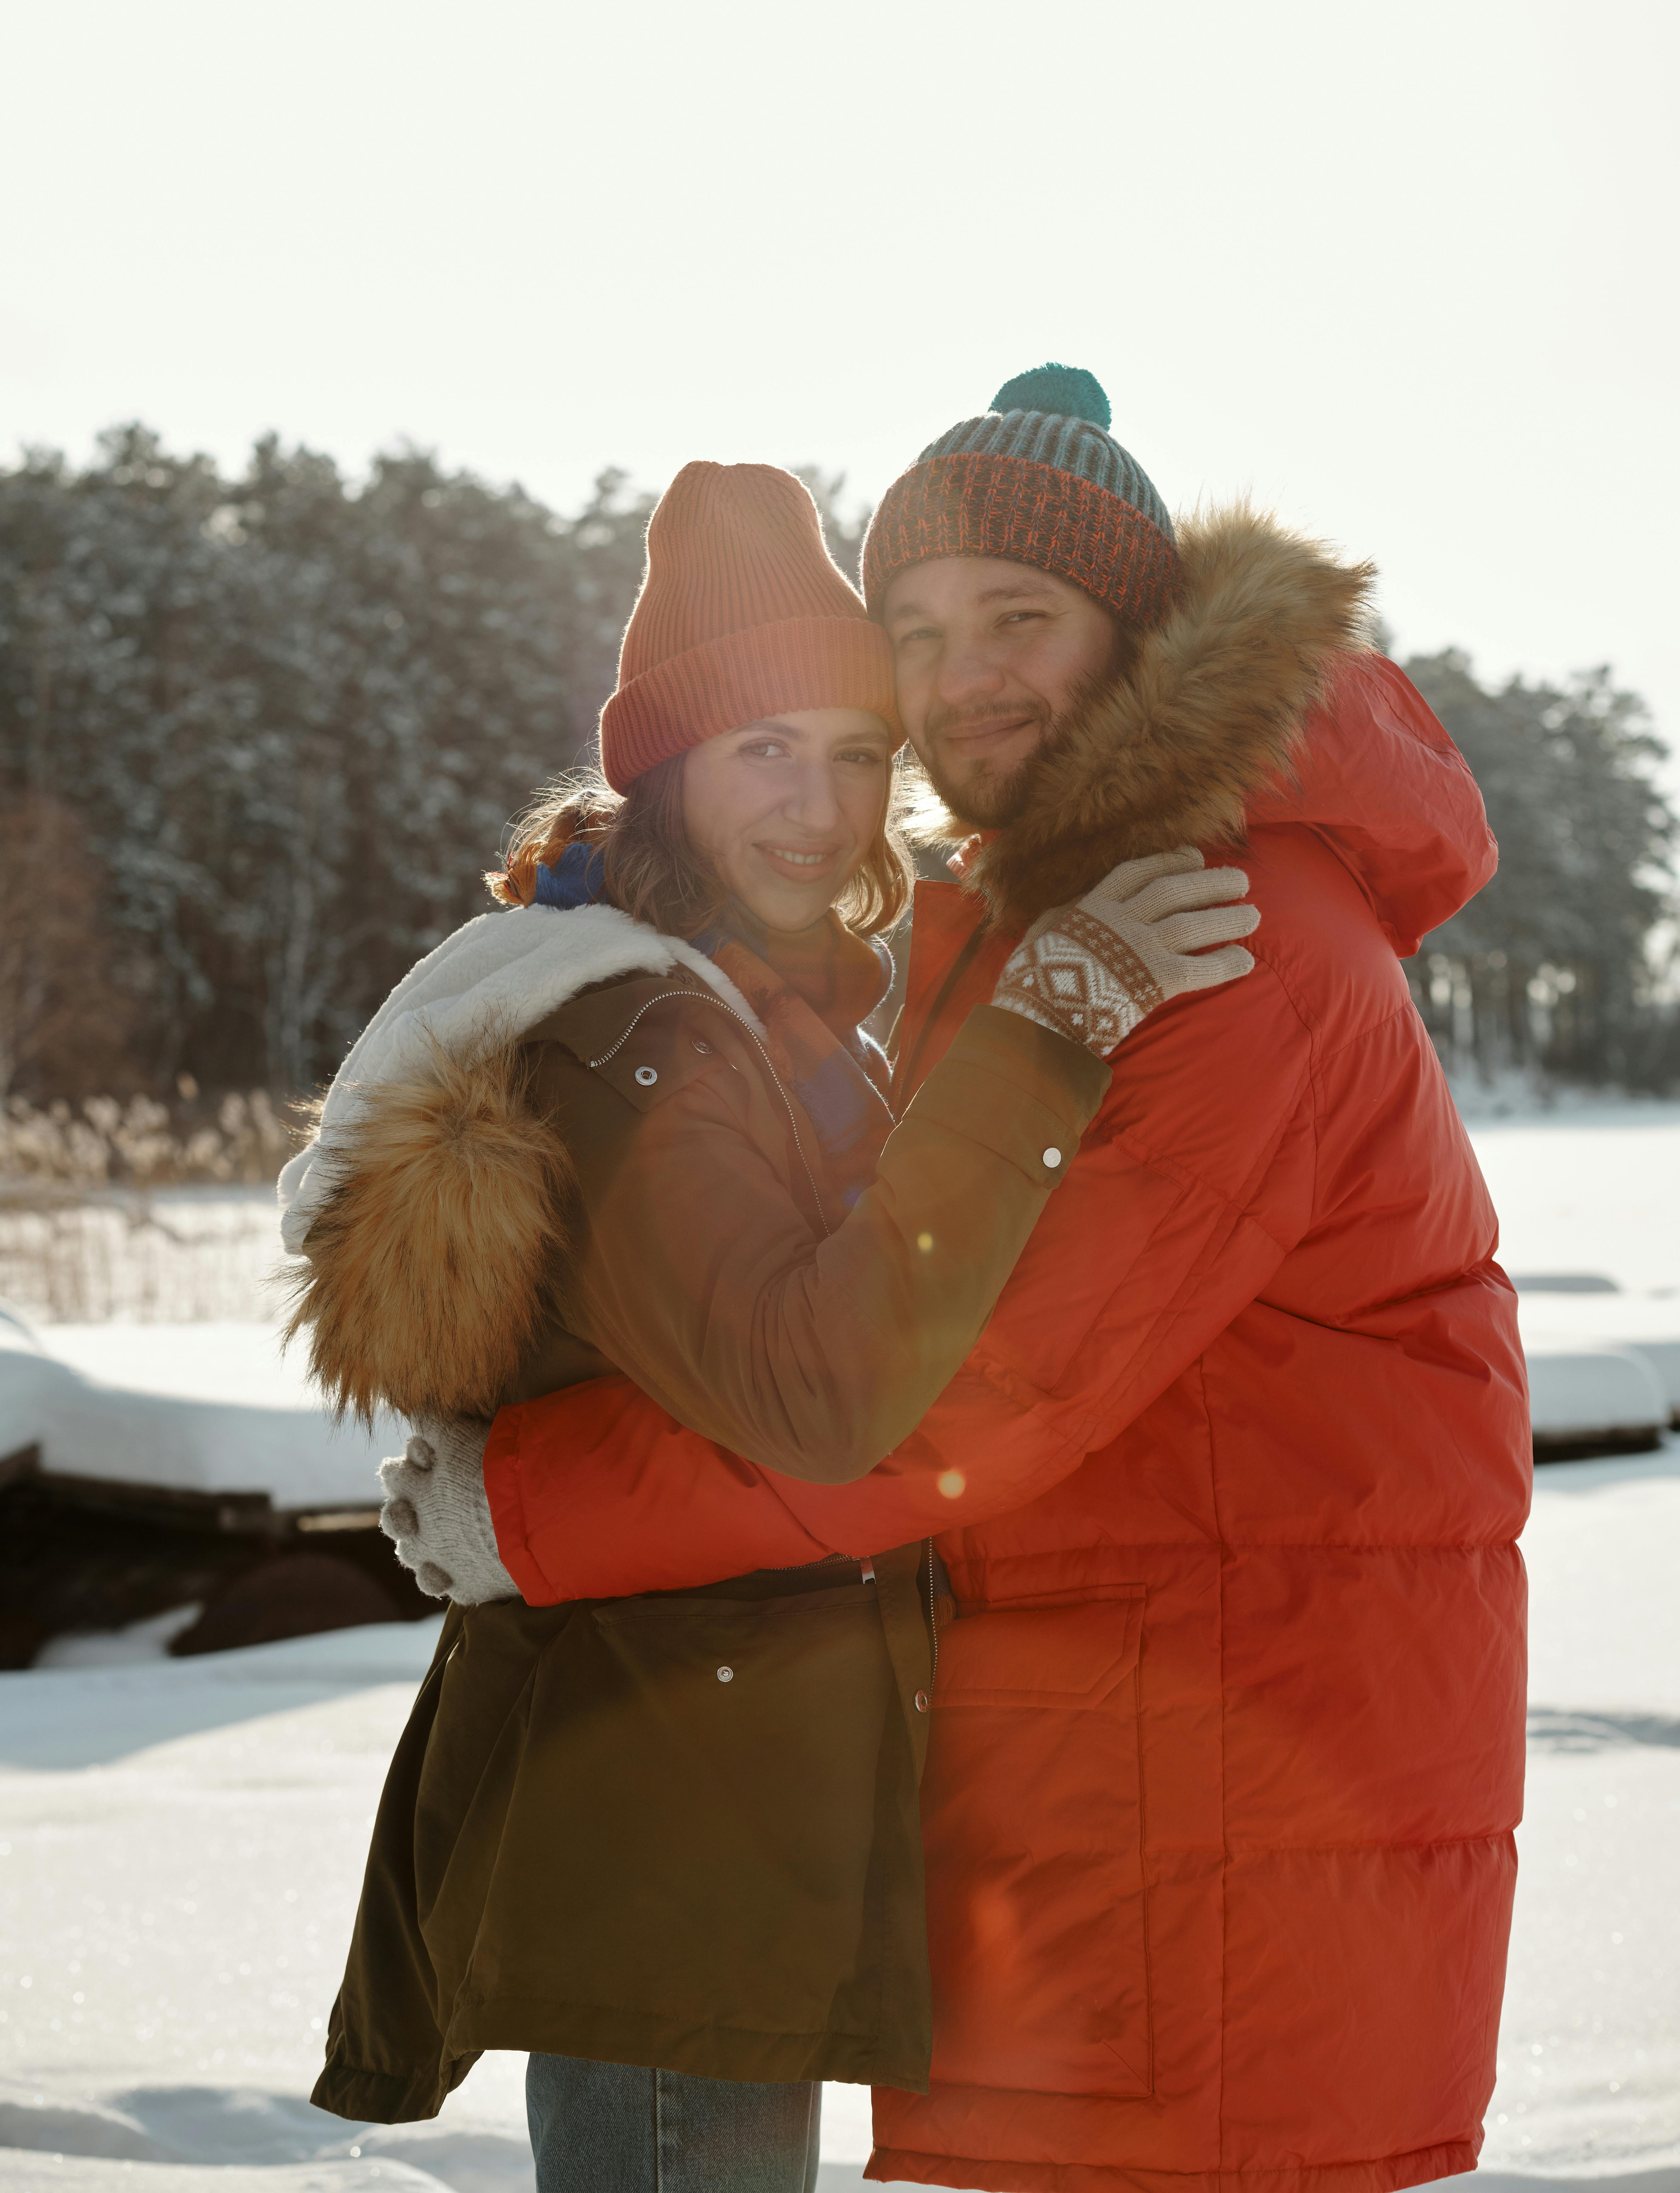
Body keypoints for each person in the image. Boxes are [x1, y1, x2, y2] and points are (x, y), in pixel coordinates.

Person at [395, 366, 1532, 2193]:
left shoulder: (1219, 939)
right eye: (915, 631)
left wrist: (532, 1513)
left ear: (1143, 629)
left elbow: (951, 1398)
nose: (962, 676)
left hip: (1223, 1847)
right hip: (1125, 1812)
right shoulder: (1054, 907)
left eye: (1023, 616)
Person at [283, 454, 1257, 2193]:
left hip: (720, 1804)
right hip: (673, 1820)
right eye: (762, 751)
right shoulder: (637, 1043)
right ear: (661, 769)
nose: (821, 806)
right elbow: (817, 1384)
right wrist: (1053, 1023)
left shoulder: (758, 1019)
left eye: (857, 753)